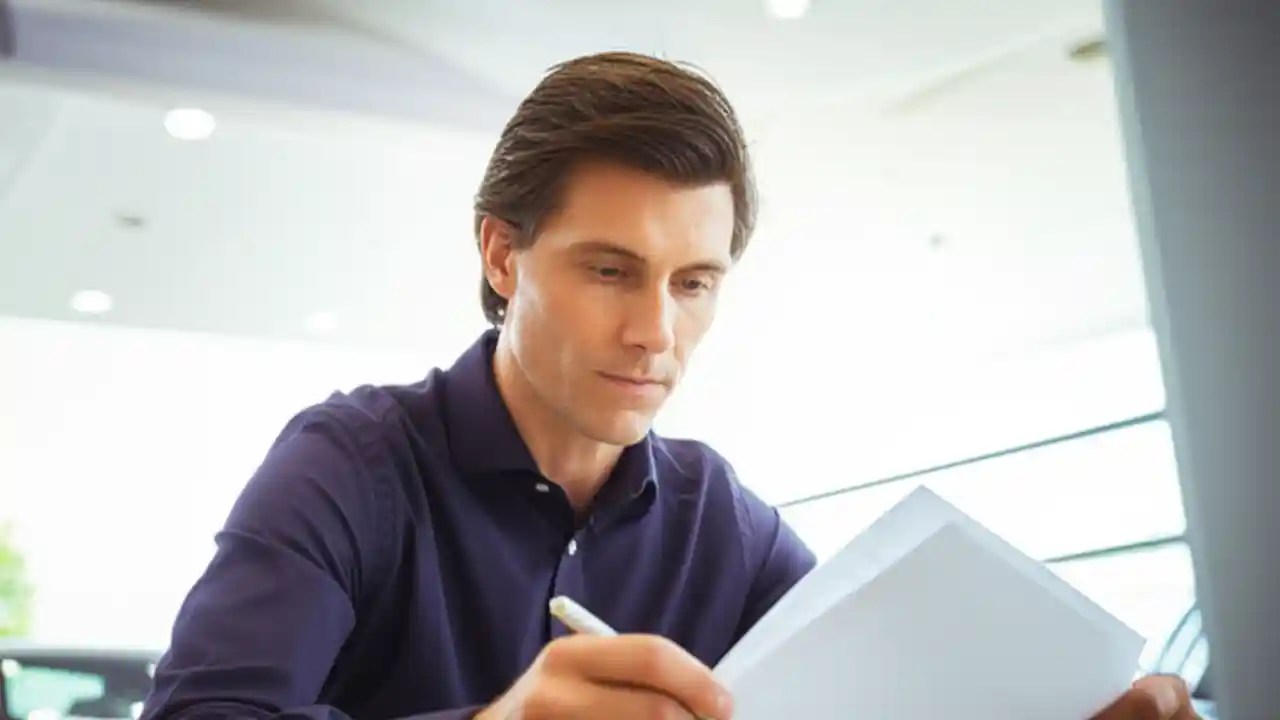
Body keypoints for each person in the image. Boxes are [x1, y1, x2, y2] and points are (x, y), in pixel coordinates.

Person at [142, 51, 1199, 720]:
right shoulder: (350, 466)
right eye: (610, 271)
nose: (656, 332)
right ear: (502, 255)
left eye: (693, 283)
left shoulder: (720, 521)